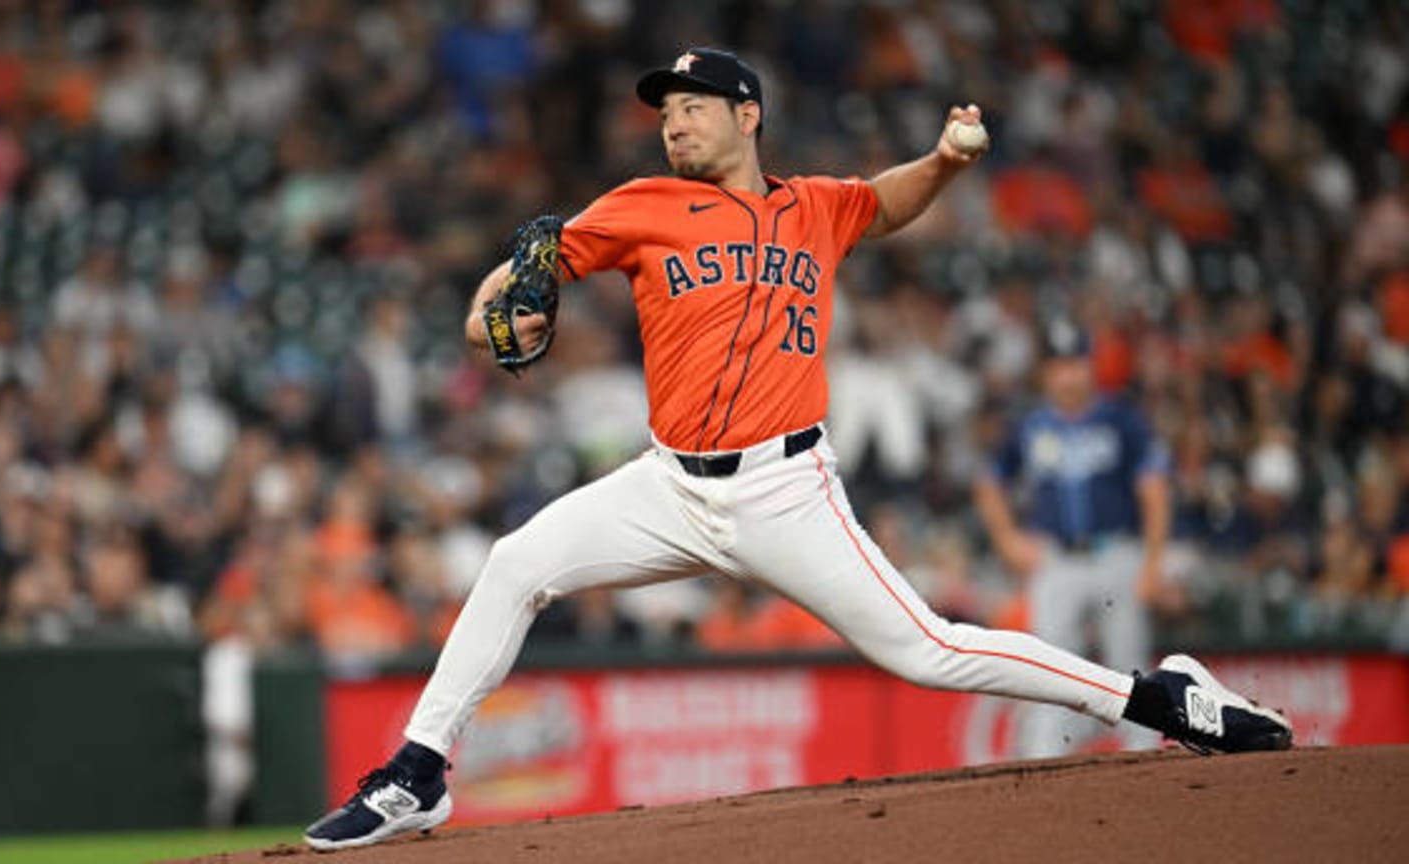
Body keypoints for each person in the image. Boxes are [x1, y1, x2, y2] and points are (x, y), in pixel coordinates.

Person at [304, 47, 1292, 851]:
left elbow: (885, 200)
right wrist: (486, 319)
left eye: (692, 105)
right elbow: (527, 272)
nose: (673, 122)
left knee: (930, 650)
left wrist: (946, 162)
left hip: (784, 489)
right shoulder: (640, 203)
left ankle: (1161, 699)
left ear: (748, 116)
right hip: (666, 485)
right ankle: (419, 772)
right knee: (516, 562)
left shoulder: (815, 206)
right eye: (664, 110)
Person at [973, 319, 1175, 758]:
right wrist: (1007, 538)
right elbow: (989, 481)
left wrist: (1154, 564)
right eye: (1059, 365)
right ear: (1046, 372)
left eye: (1076, 363)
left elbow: (1154, 489)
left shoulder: (1121, 418)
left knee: (1132, 668)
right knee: (1049, 668)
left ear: (1090, 366)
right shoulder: (1030, 424)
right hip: (1058, 561)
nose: (1068, 374)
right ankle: (1044, 765)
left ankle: (1145, 761)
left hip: (1119, 554)